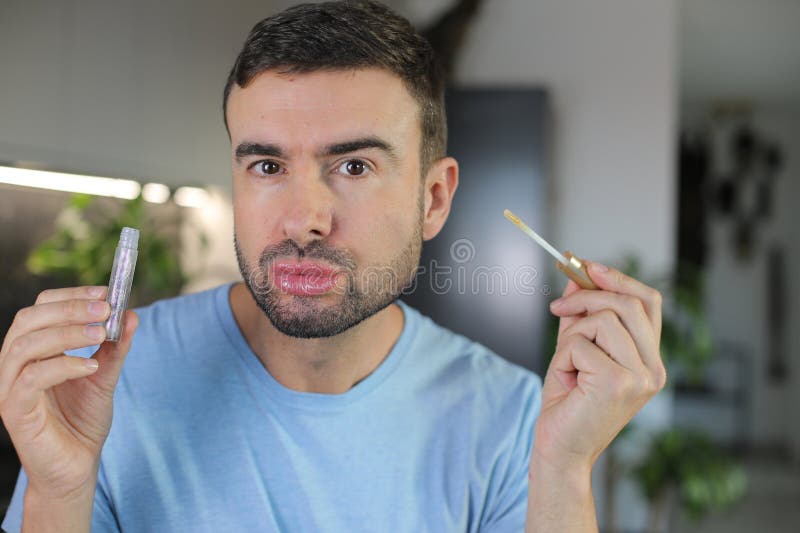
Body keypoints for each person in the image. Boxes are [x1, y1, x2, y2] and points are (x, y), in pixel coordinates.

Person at [0, 1, 666, 531]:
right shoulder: (103, 386)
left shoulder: (514, 420)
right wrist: (59, 488)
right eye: (267, 166)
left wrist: (565, 467)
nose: (303, 219)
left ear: (434, 198)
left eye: (353, 166)